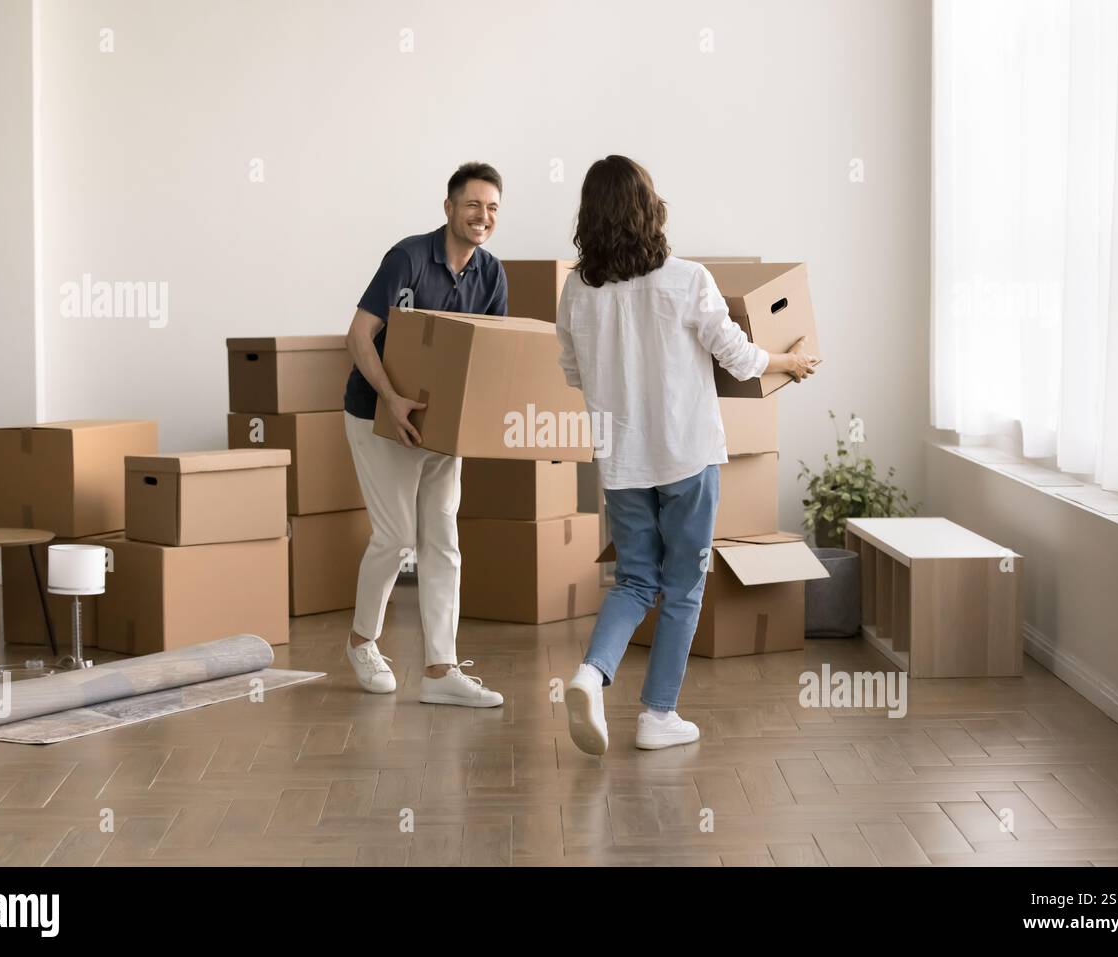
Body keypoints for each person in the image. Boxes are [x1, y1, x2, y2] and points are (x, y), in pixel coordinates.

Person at [556, 156, 818, 753]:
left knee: (632, 579)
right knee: (683, 585)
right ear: (651, 210)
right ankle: (657, 716)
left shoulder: (576, 288)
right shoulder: (687, 279)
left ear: (589, 218)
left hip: (621, 460)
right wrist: (790, 362)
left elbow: (573, 371)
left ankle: (590, 675)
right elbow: (740, 357)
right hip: (687, 456)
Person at [341, 162, 509, 708]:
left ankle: (440, 670)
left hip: (443, 428)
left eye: (491, 208)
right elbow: (359, 335)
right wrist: (391, 399)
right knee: (396, 538)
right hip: (379, 414)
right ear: (448, 208)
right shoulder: (409, 257)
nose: (482, 217)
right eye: (472, 205)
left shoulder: (491, 274)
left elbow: (489, 357)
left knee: (442, 540)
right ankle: (362, 641)